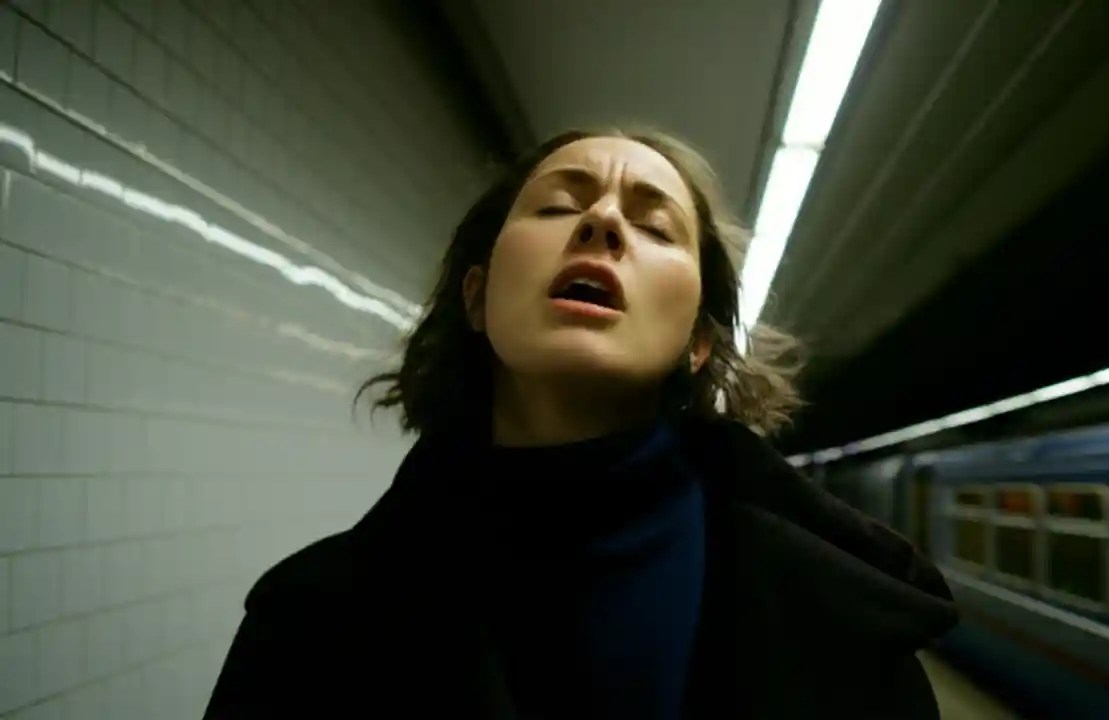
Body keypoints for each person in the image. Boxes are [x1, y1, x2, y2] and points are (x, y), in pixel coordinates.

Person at [203, 128, 957, 719]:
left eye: (655, 226)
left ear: (698, 343)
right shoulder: (311, 620)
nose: (602, 220)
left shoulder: (842, 615)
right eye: (559, 206)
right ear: (477, 296)